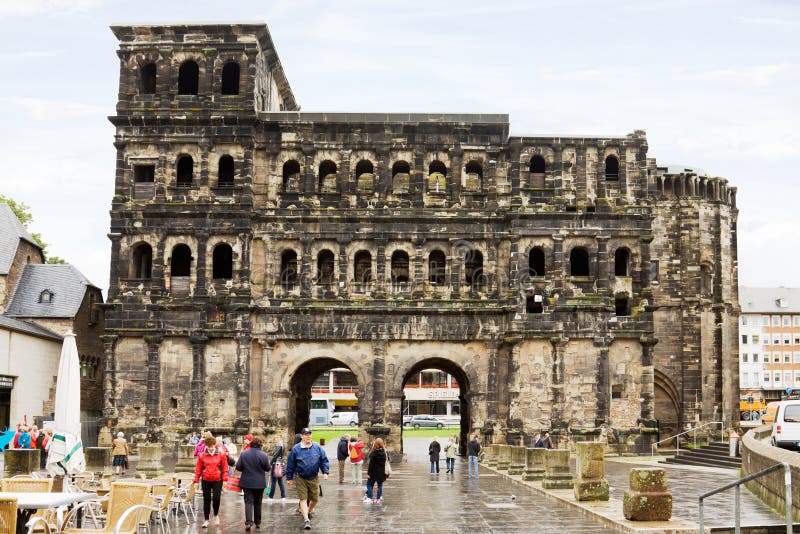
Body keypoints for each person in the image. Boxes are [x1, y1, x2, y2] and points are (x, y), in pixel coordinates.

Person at [286, 427, 330, 530]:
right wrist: (289, 478)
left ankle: (309, 511)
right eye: (306, 434)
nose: (308, 436)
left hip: (313, 477)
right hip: (301, 477)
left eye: (309, 434)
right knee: (303, 499)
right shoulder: (296, 449)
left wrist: (325, 472)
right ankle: (306, 520)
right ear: (301, 436)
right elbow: (290, 464)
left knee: (315, 499)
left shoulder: (317, 447)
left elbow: (324, 460)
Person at [235, 436, 271, 532]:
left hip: (247, 482)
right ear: (260, 444)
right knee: (258, 502)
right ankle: (258, 522)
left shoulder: (244, 454)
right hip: (259, 483)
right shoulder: (263, 455)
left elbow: (238, 467)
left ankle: (248, 522)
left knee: (248, 502)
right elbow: (267, 468)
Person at [194, 434, 229, 528]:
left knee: (216, 498)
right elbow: (198, 469)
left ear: (215, 445)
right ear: (206, 446)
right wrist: (196, 481)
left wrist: (225, 479)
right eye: (208, 446)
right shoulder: (202, 455)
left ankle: (216, 515)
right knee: (206, 500)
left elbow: (225, 468)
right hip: (206, 479)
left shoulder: (221, 455)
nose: (210, 448)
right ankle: (206, 520)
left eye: (212, 446)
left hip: (217, 480)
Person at [364, 438, 387, 504]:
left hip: (373, 472)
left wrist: (368, 473)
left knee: (369, 484)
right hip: (381, 472)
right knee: (380, 485)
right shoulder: (384, 452)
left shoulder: (373, 453)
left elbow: (370, 465)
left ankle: (370, 498)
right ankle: (378, 499)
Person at [268, 434, 286, 501]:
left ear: (281, 438)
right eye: (275, 437)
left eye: (277, 437)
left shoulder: (279, 445)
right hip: (280, 464)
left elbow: (275, 456)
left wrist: (270, 464)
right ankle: (283, 496)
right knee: (280, 481)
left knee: (274, 481)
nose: (276, 438)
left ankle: (271, 497)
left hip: (276, 464)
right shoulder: (282, 445)